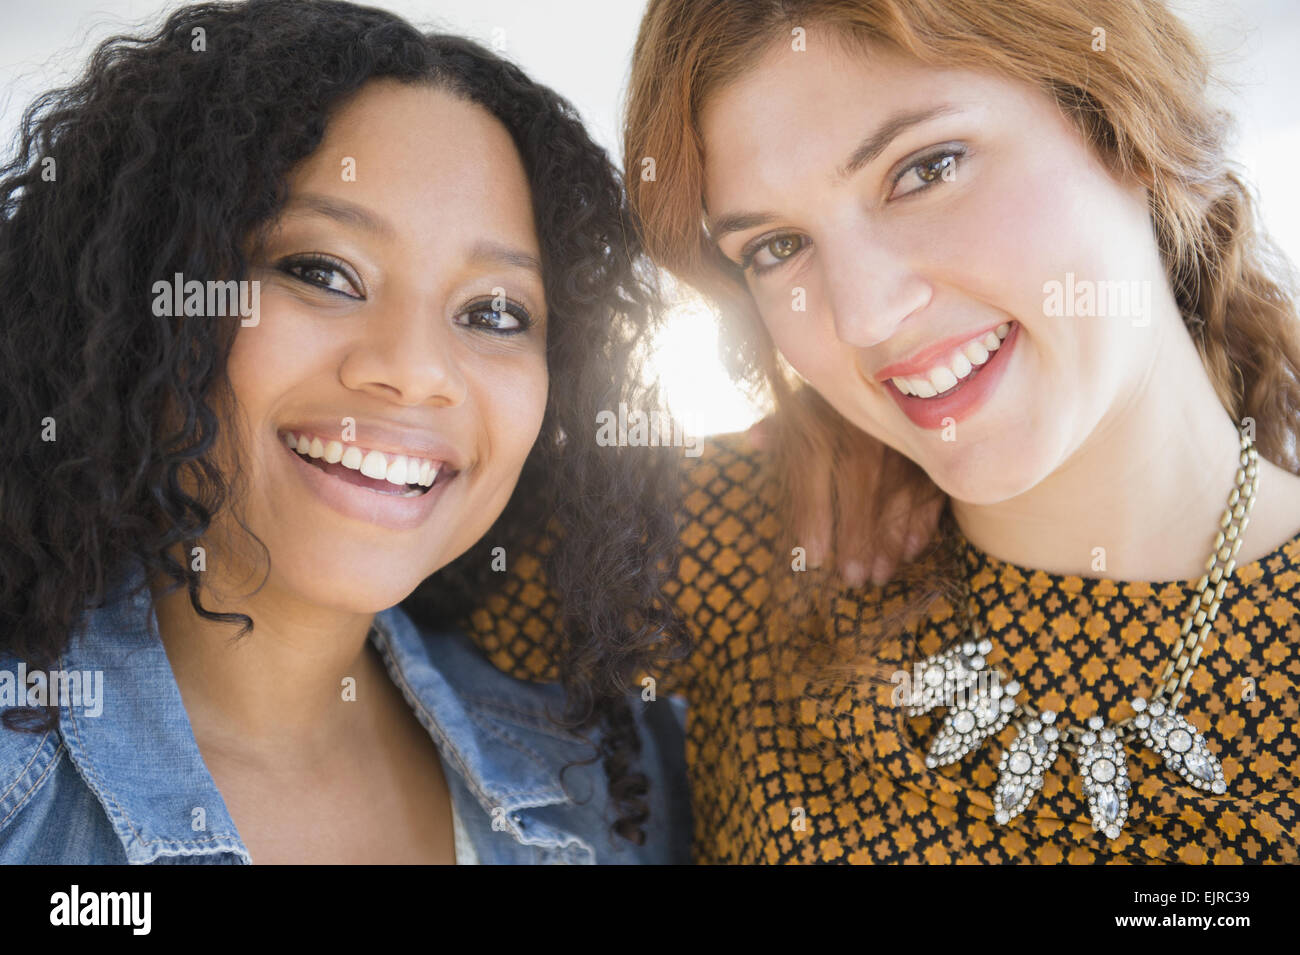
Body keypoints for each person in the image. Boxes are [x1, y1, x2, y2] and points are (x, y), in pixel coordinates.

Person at [466, 0, 1300, 863]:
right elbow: (382, 551)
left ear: (1124, 115)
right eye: (777, 246)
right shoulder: (746, 541)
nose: (864, 316)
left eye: (926, 169)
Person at [0, 0, 690, 864]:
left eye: (494, 311)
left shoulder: (620, 772)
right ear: (153, 292)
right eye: (323, 272)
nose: (415, 369)